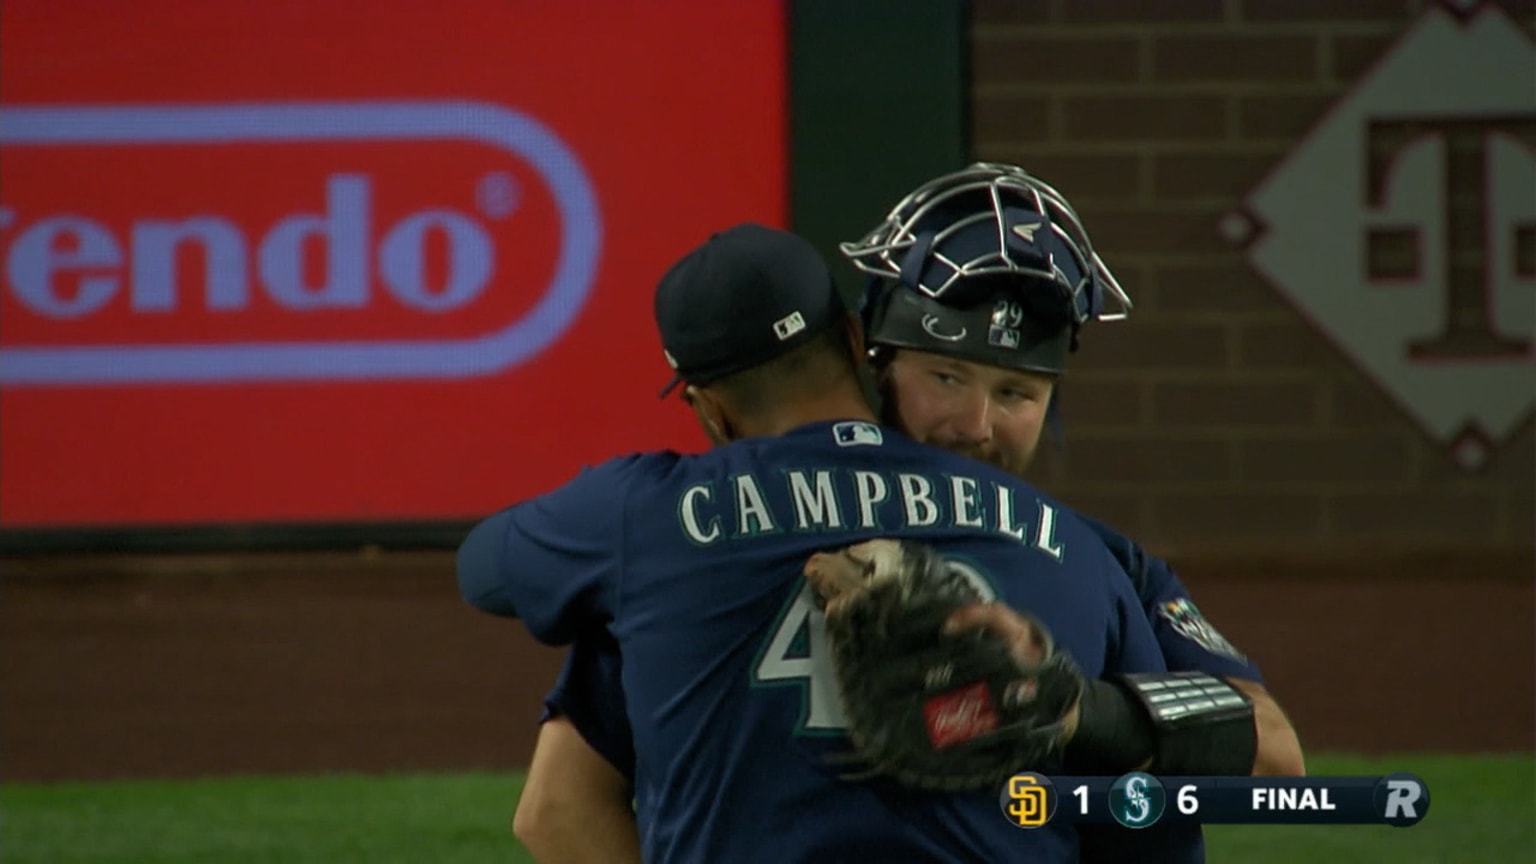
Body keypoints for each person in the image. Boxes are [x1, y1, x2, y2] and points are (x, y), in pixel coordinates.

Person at [511, 165, 1305, 864]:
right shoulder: (709, 542)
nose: (977, 426)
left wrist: (1075, 710)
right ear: (871, 356)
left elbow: (1274, 759)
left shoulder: (1106, 564)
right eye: (947, 377)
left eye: (1016, 394)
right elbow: (558, 806)